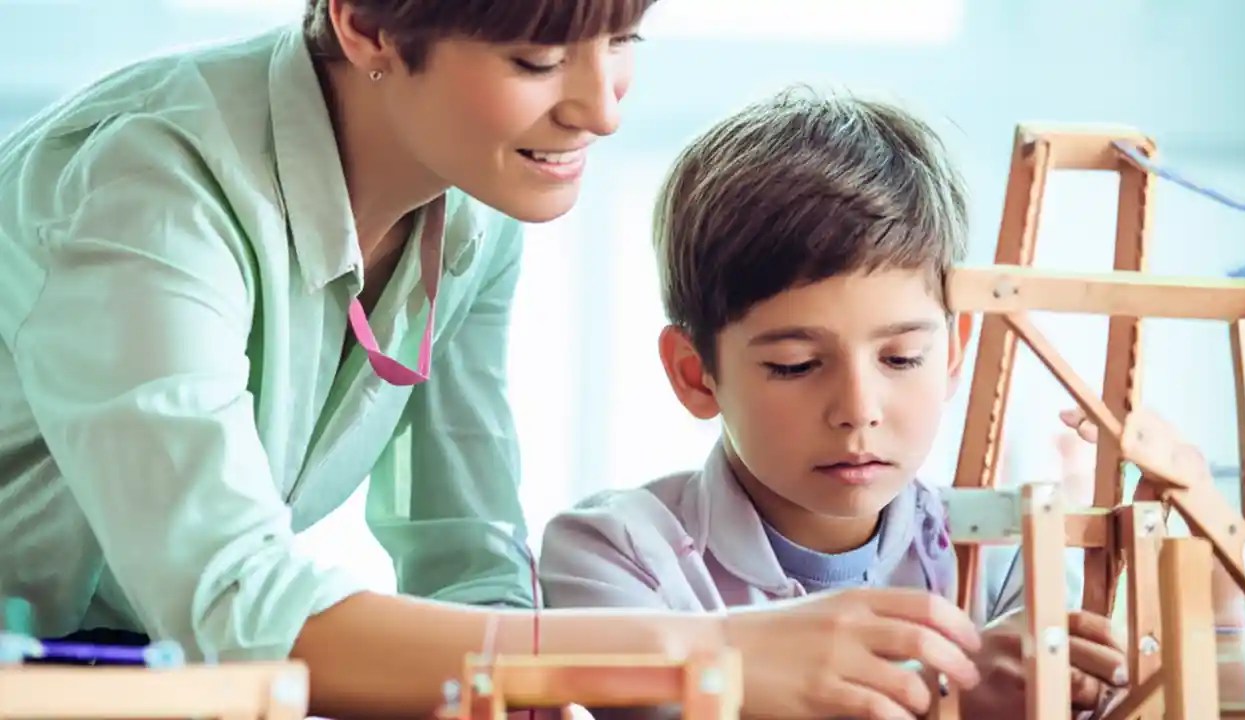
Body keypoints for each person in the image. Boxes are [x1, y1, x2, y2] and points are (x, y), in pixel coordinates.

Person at [0, 2, 988, 718]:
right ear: (367, 26)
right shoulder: (151, 189)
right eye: (534, 58)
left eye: (622, 39)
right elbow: (238, 599)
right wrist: (709, 654)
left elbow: (461, 555)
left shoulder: (466, 203)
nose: (600, 109)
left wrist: (541, 693)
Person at [539, 87, 1127, 719]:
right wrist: (946, 691)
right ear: (695, 374)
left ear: (954, 352)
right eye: (795, 365)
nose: (858, 409)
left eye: (901, 358)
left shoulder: (1011, 559)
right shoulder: (613, 556)